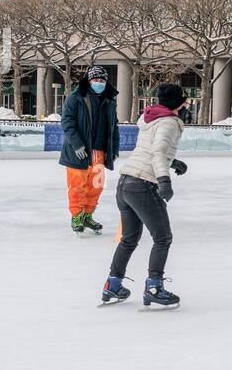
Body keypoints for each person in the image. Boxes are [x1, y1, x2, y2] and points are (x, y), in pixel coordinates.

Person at [101, 84, 190, 308]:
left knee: (129, 239)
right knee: (163, 238)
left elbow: (149, 149)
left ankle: (112, 284)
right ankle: (154, 287)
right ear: (179, 102)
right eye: (185, 100)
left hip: (125, 183)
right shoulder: (169, 122)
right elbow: (157, 151)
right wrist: (164, 180)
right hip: (142, 184)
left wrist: (173, 162)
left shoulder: (151, 118)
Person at [59, 64, 120, 235]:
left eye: (102, 80)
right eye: (95, 79)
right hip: (78, 151)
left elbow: (114, 127)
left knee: (96, 186)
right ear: (89, 80)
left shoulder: (109, 99)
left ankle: (87, 215)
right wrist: (77, 144)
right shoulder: (76, 97)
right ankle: (77, 216)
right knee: (78, 185)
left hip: (99, 151)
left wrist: (114, 149)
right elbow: (67, 123)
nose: (98, 83)